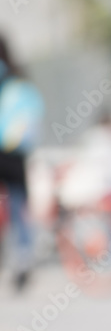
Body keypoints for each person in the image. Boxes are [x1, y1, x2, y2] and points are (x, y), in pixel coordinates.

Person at [0, 35, 42, 292]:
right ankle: (23, 258)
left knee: (16, 207)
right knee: (17, 207)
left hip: (10, 153)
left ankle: (22, 258)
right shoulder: (20, 82)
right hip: (15, 154)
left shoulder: (14, 83)